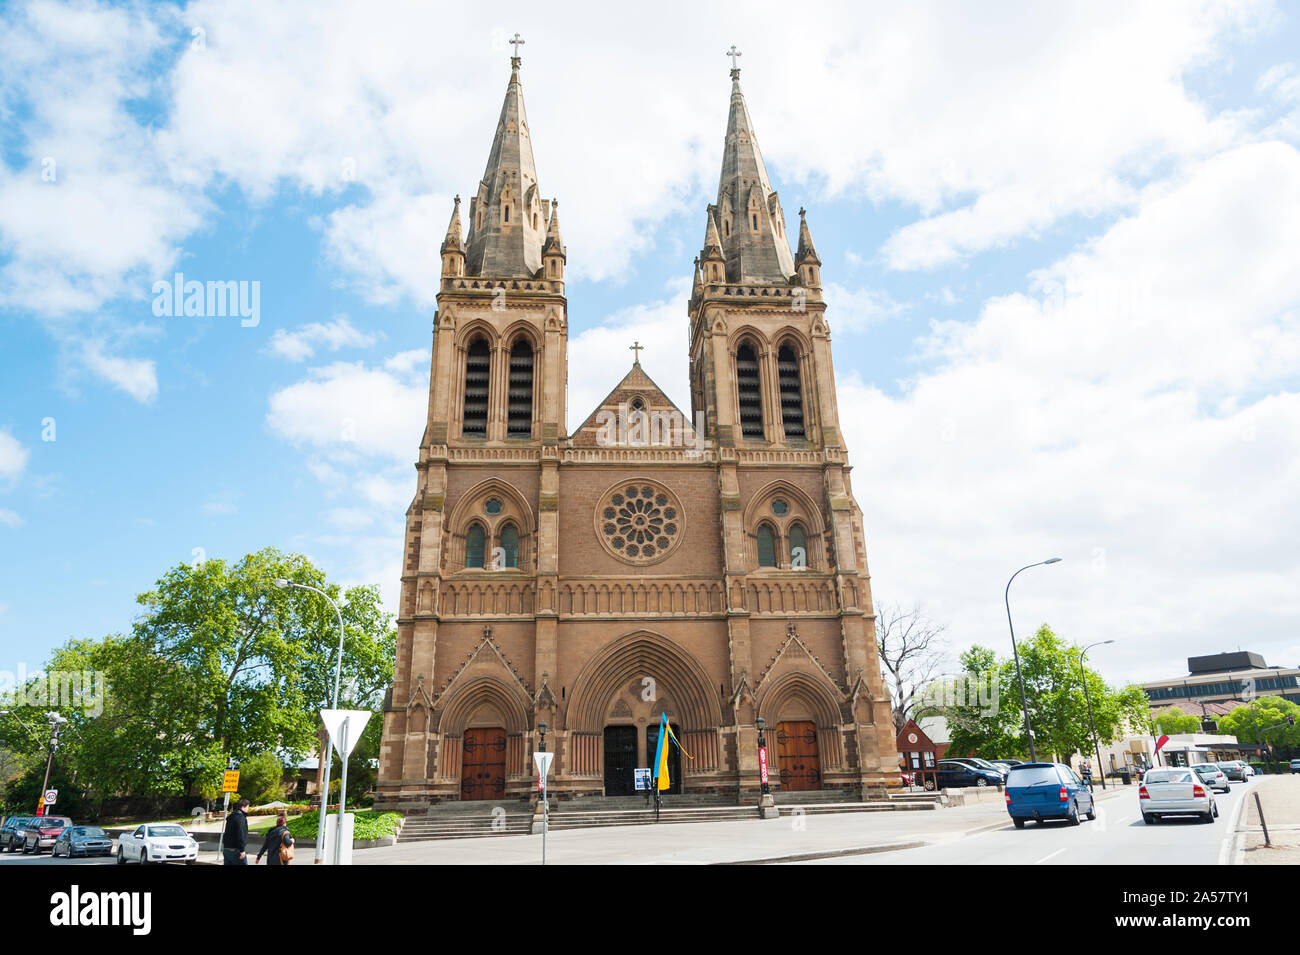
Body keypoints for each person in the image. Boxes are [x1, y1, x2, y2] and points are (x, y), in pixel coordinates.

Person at [222, 799, 250, 865]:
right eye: (247, 807)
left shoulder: (231, 816)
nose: (248, 809)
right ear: (243, 807)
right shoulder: (241, 818)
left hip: (226, 848)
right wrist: (242, 850)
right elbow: (241, 834)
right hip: (236, 849)